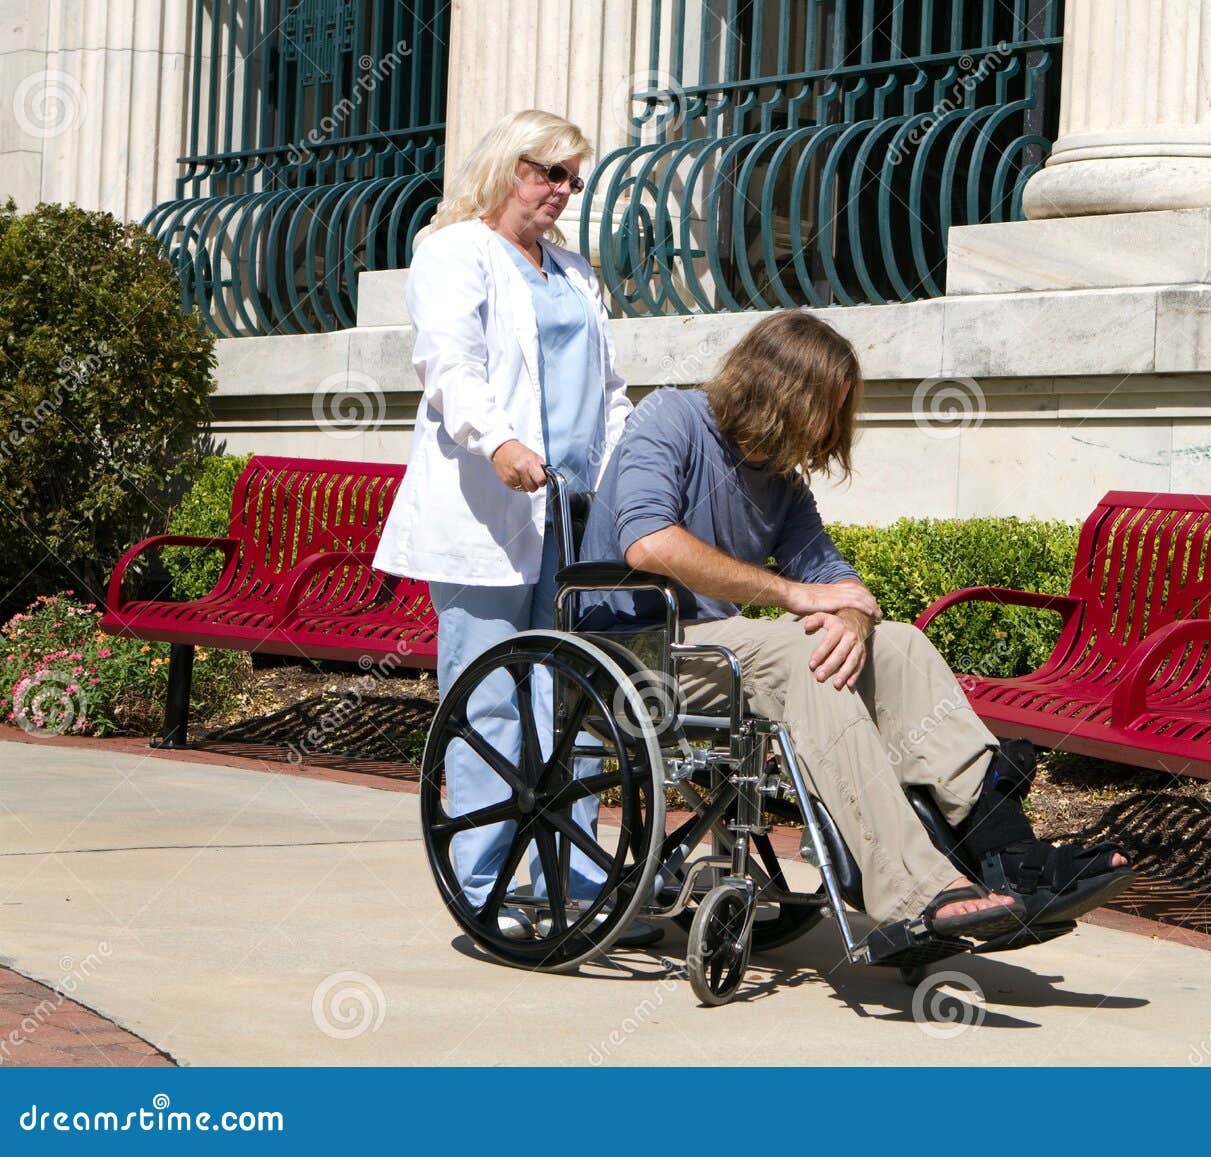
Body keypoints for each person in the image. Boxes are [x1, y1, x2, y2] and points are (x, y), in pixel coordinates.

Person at [578, 310, 1132, 941]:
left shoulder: (782, 483)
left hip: (719, 650)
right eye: (826, 408)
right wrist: (795, 595)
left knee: (900, 643)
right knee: (806, 655)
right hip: (638, 652)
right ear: (783, 391)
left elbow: (839, 581)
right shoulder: (671, 417)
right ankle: (914, 893)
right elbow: (649, 544)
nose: (831, 428)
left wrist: (849, 617)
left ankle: (1008, 855)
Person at [374, 109, 656, 946]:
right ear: (506, 167)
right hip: (488, 509)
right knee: (491, 697)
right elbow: (448, 363)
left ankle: (573, 881)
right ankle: (487, 885)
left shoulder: (572, 270)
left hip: (571, 513)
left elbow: (606, 388)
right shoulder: (452, 250)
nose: (564, 193)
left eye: (574, 179)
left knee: (573, 697)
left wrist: (631, 470)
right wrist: (496, 439)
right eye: (550, 174)